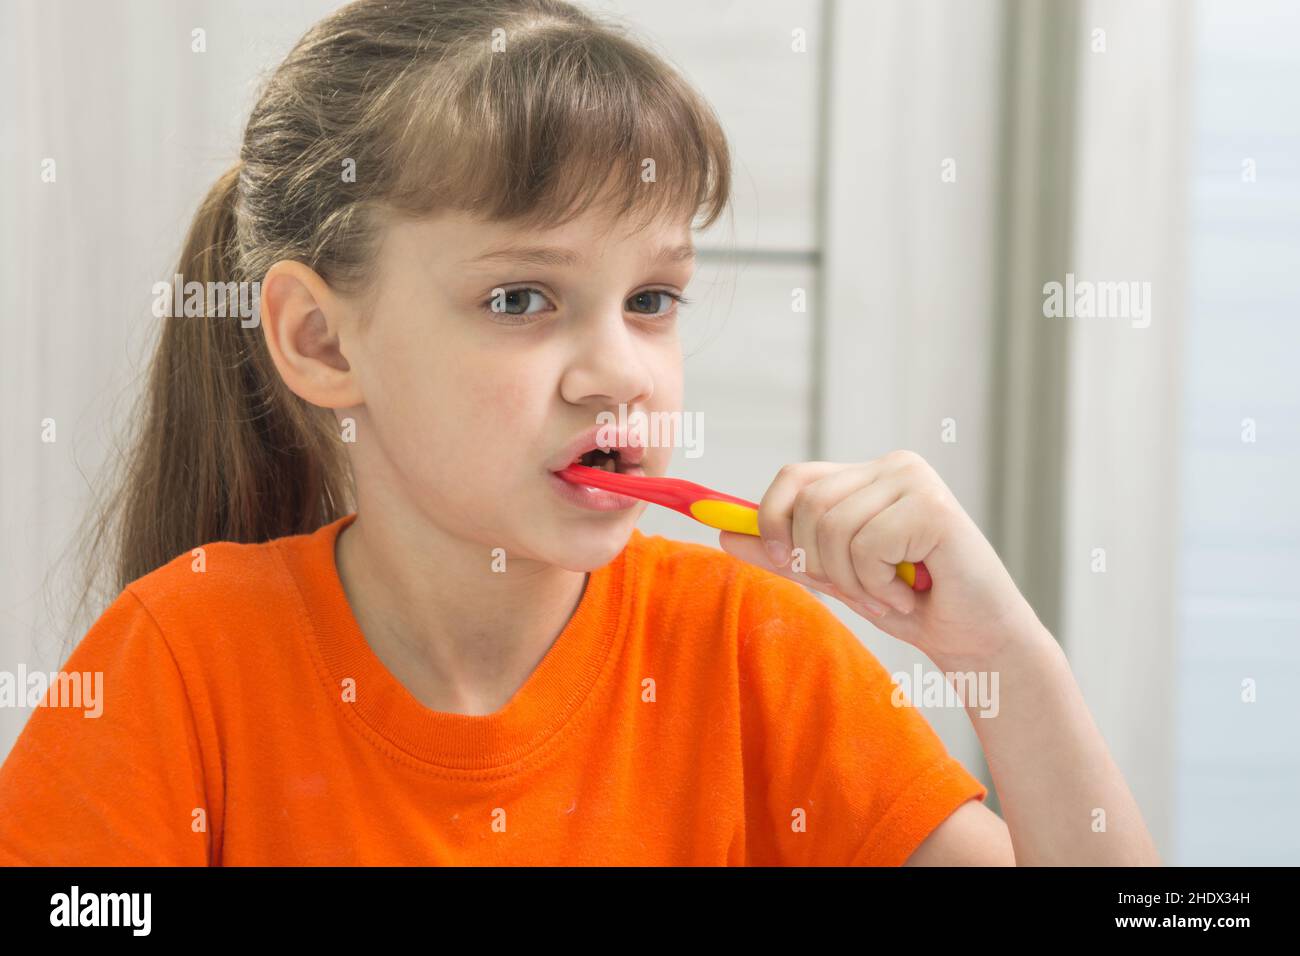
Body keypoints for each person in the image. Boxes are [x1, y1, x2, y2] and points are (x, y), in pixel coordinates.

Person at [0, 0, 1157, 866]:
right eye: (522, 299)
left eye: (652, 300)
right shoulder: (180, 662)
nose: (620, 373)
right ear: (322, 341)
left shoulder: (748, 653)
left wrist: (1003, 656)